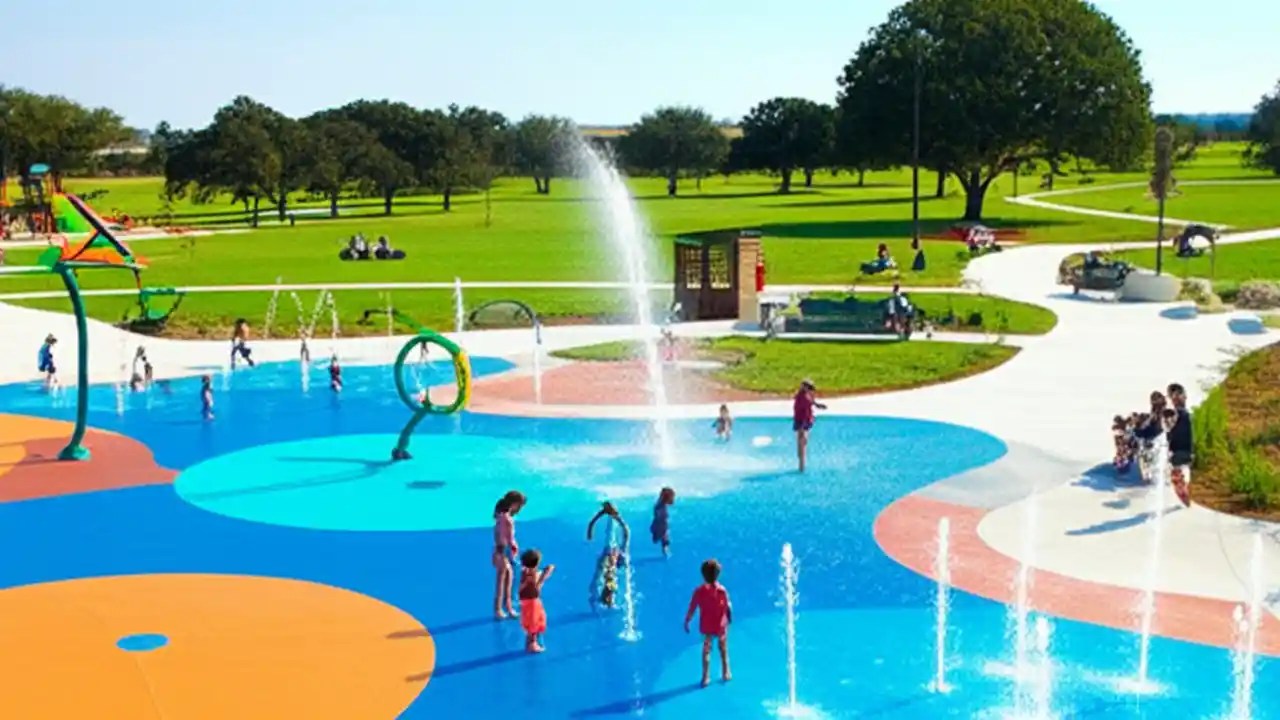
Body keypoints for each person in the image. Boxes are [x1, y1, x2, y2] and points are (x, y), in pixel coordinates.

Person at [684, 558, 732, 688]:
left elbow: (692, 607)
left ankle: (705, 676)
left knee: (706, 650)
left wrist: (687, 620)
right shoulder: (722, 590)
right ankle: (725, 671)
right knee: (723, 648)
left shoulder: (699, 592)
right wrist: (729, 618)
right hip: (720, 625)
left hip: (707, 626)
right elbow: (728, 607)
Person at [586, 502, 630, 608]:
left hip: (611, 554)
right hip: (612, 553)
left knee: (607, 576)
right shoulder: (616, 553)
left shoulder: (613, 554)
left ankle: (605, 598)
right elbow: (626, 533)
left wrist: (602, 515)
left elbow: (625, 533)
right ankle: (606, 598)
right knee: (607, 575)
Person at [493, 490, 527, 619]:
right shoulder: (506, 519)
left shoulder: (500, 516)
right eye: (519, 506)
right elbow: (508, 537)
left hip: (501, 550)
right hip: (503, 551)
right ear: (514, 504)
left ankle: (507, 607)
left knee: (508, 579)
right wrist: (513, 549)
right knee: (503, 581)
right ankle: (499, 609)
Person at [518, 549, 555, 653]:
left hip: (526, 602)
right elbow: (537, 587)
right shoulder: (532, 575)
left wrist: (542, 573)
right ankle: (532, 644)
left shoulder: (525, 572)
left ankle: (529, 641)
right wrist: (546, 574)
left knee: (531, 621)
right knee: (534, 622)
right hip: (532, 602)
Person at [1166, 383, 1194, 506]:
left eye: (1178, 394)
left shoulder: (1188, 414)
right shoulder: (1175, 414)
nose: (1176, 397)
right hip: (1179, 452)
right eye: (1173, 395)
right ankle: (1182, 484)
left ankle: (1183, 484)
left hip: (1186, 451)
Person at [793, 379, 827, 473]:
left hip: (806, 419)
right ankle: (801, 463)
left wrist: (818, 405)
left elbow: (812, 402)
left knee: (803, 440)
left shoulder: (809, 394)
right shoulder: (800, 396)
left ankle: (802, 463)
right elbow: (806, 402)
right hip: (800, 419)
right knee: (801, 440)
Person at [651, 487, 676, 556]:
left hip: (658, 526)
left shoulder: (659, 505)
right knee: (664, 542)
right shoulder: (661, 507)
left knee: (663, 542)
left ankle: (665, 550)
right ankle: (665, 552)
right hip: (660, 527)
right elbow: (661, 520)